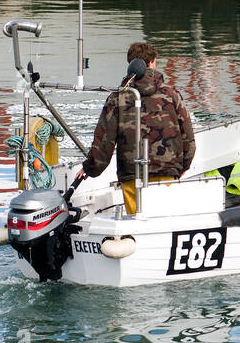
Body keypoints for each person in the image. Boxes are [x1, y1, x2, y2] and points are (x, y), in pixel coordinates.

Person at [80, 41, 195, 215]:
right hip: (167, 170)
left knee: (136, 219)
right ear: (152, 63)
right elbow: (188, 137)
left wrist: (90, 168)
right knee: (164, 218)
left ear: (131, 65)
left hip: (132, 174)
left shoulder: (117, 98)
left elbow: (104, 142)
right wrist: (182, 166)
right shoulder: (172, 95)